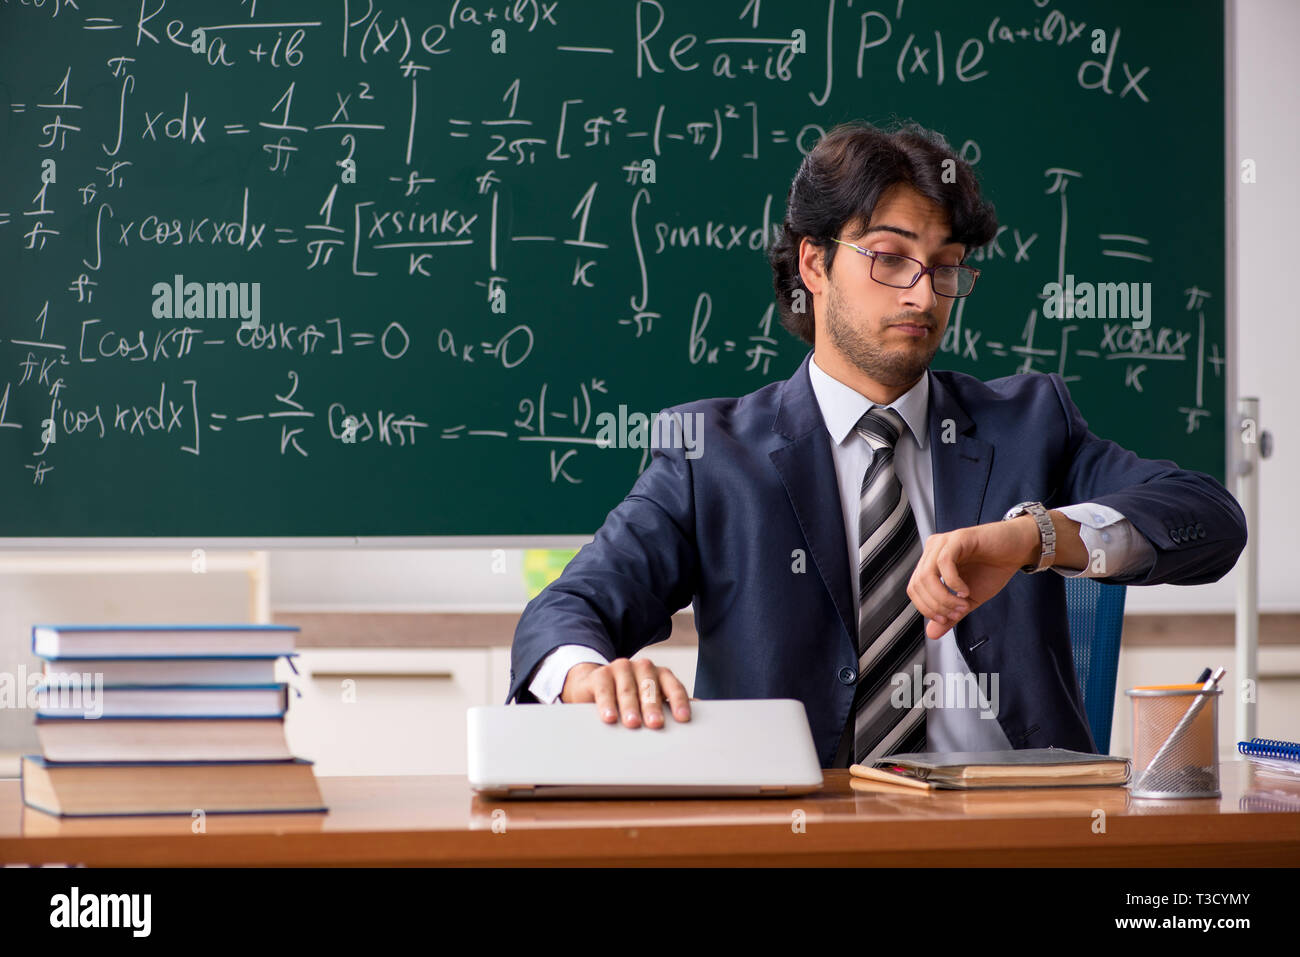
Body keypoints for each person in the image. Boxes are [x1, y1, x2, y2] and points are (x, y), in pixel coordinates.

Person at [506, 120, 1248, 768]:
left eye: (946, 264)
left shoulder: (1029, 422)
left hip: (1016, 832)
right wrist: (586, 675)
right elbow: (568, 609)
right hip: (803, 838)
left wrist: (1035, 537)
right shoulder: (711, 454)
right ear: (813, 265)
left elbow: (1209, 518)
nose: (924, 295)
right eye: (890, 257)